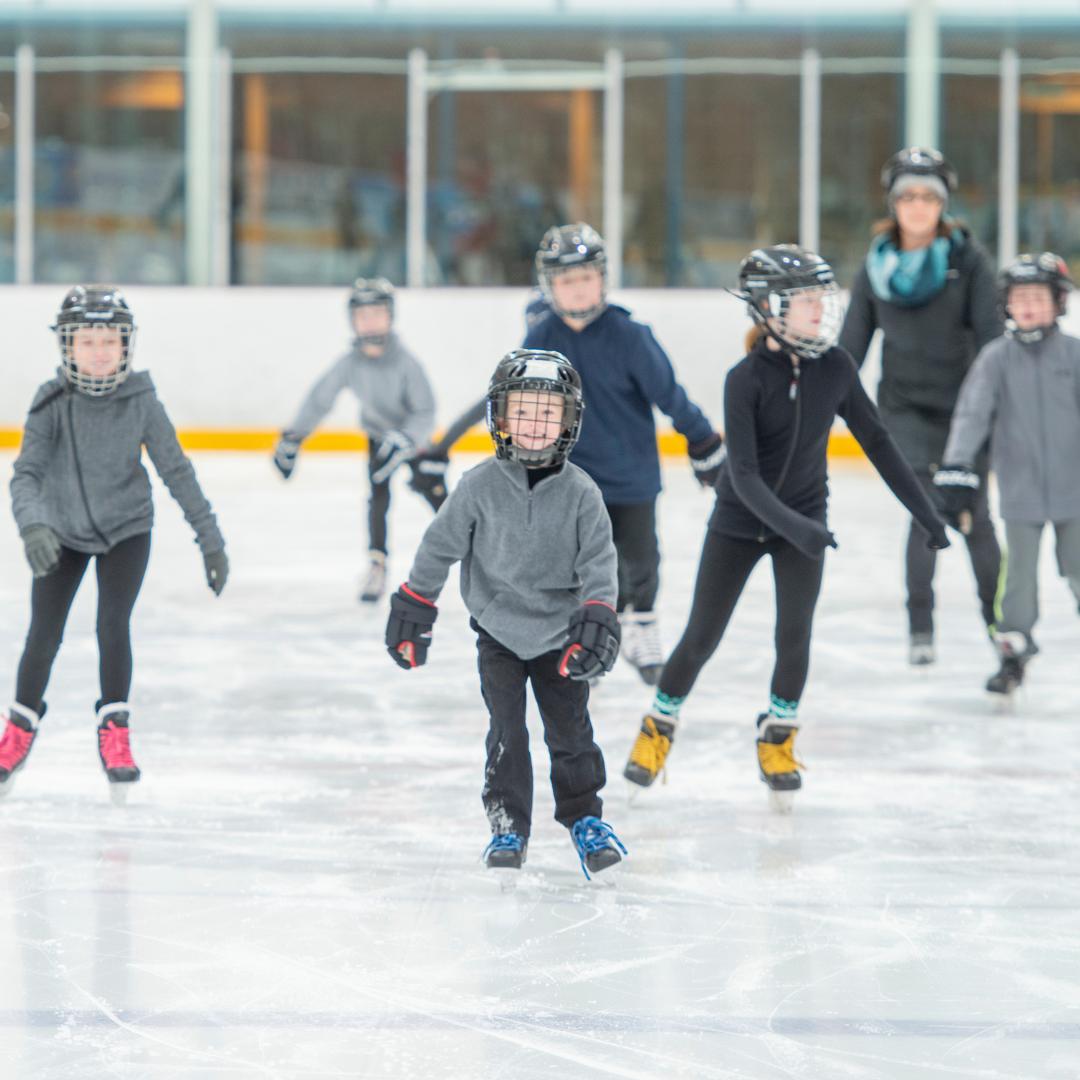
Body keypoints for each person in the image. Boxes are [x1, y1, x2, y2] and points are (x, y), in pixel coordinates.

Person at [622, 247, 949, 810]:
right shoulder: (743, 380)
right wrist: (800, 530)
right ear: (768, 308)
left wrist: (926, 512)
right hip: (738, 523)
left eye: (823, 299)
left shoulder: (837, 368)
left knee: (793, 637)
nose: (821, 310)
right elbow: (743, 478)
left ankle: (778, 737)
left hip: (805, 522)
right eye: (806, 301)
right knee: (701, 637)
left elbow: (877, 442)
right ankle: (659, 726)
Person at [385, 349, 627, 879]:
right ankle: (507, 823)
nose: (535, 426)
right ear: (499, 417)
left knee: (570, 732)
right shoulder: (477, 486)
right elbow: (438, 546)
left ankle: (585, 819)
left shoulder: (584, 494)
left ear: (569, 420)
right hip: (497, 632)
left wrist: (598, 613)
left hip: (561, 636)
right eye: (522, 411)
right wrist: (415, 602)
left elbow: (600, 562)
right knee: (506, 730)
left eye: (548, 413)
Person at [3, 286, 228, 804]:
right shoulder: (50, 401)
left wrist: (210, 540)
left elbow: (177, 471)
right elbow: (26, 475)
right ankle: (18, 728)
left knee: (112, 624)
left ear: (126, 346)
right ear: (67, 346)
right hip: (60, 529)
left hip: (127, 528)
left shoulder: (141, 400)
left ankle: (115, 729)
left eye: (110, 341)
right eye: (88, 341)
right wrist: (34, 526)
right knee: (44, 632)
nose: (100, 352)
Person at [522, 223, 725, 685]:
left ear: (603, 278)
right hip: (569, 480)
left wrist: (704, 440)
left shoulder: (630, 335)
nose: (577, 289)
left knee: (640, 560)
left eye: (586, 277)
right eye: (566, 280)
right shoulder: (540, 340)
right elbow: (523, 409)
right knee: (577, 565)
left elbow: (668, 394)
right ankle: (590, 635)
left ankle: (642, 625)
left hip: (631, 474)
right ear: (549, 285)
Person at [839, 148, 1003, 666]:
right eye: (908, 196)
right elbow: (850, 350)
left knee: (974, 516)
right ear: (894, 203)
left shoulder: (969, 261)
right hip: (904, 411)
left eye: (928, 196)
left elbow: (995, 340)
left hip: (966, 413)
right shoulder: (875, 267)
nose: (917, 205)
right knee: (925, 511)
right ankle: (921, 626)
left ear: (943, 204)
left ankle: (998, 624)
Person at [934, 253, 1080, 698]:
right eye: (1020, 298)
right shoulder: (996, 358)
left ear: (1058, 302)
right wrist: (957, 464)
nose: (1029, 306)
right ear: (1007, 305)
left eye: (1038, 297)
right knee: (1017, 576)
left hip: (1076, 492)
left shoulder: (1074, 355)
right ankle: (1013, 650)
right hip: (1020, 492)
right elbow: (972, 413)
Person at [272, 278, 441, 603]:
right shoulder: (349, 364)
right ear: (352, 320)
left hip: (414, 441)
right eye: (362, 315)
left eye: (377, 313)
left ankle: (476, 549)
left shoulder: (407, 363)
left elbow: (426, 410)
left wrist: (408, 439)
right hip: (378, 438)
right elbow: (319, 399)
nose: (370, 321)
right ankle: (376, 565)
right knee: (377, 499)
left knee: (436, 496)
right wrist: (294, 437)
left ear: (391, 316)